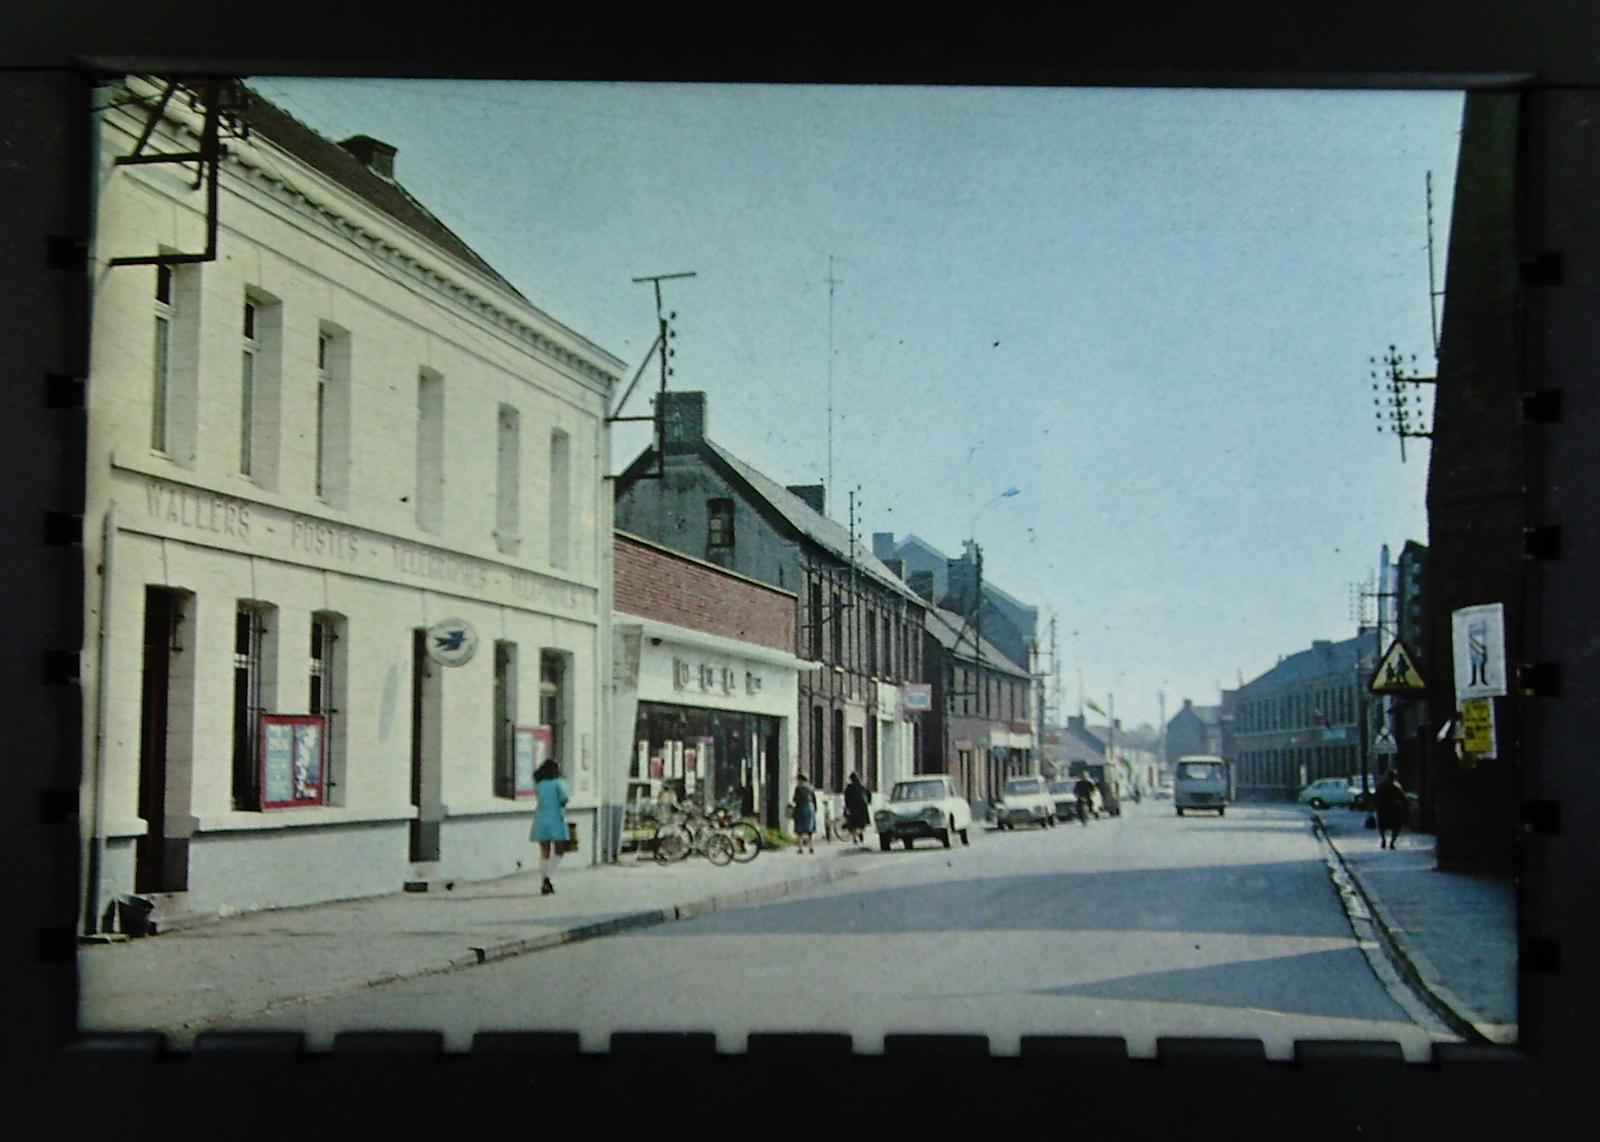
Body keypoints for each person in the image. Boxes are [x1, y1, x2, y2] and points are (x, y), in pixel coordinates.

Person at [530, 758, 570, 895]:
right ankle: (548, 878)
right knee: (559, 850)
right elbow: (564, 799)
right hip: (555, 818)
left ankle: (544, 879)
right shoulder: (558, 783)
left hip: (540, 818)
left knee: (544, 852)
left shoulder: (539, 784)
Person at [1374, 769, 1408, 849]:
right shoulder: (1397, 786)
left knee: (1382, 825)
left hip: (1383, 807)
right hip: (1394, 808)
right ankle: (1392, 842)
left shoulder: (1382, 785)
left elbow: (1376, 796)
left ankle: (1383, 840)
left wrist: (1374, 804)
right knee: (1396, 826)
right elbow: (1403, 798)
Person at [791, 772, 817, 854]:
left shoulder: (798, 788)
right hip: (810, 808)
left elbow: (795, 799)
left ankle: (800, 848)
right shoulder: (811, 788)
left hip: (801, 808)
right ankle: (811, 847)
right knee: (810, 829)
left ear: (800, 779)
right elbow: (814, 800)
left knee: (800, 830)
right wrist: (815, 809)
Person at [842, 771, 871, 844]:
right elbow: (869, 793)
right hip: (862, 806)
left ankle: (854, 837)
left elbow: (846, 798)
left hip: (853, 806)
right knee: (862, 822)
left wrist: (847, 807)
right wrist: (869, 801)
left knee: (853, 823)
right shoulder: (862, 786)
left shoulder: (849, 787)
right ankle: (861, 832)